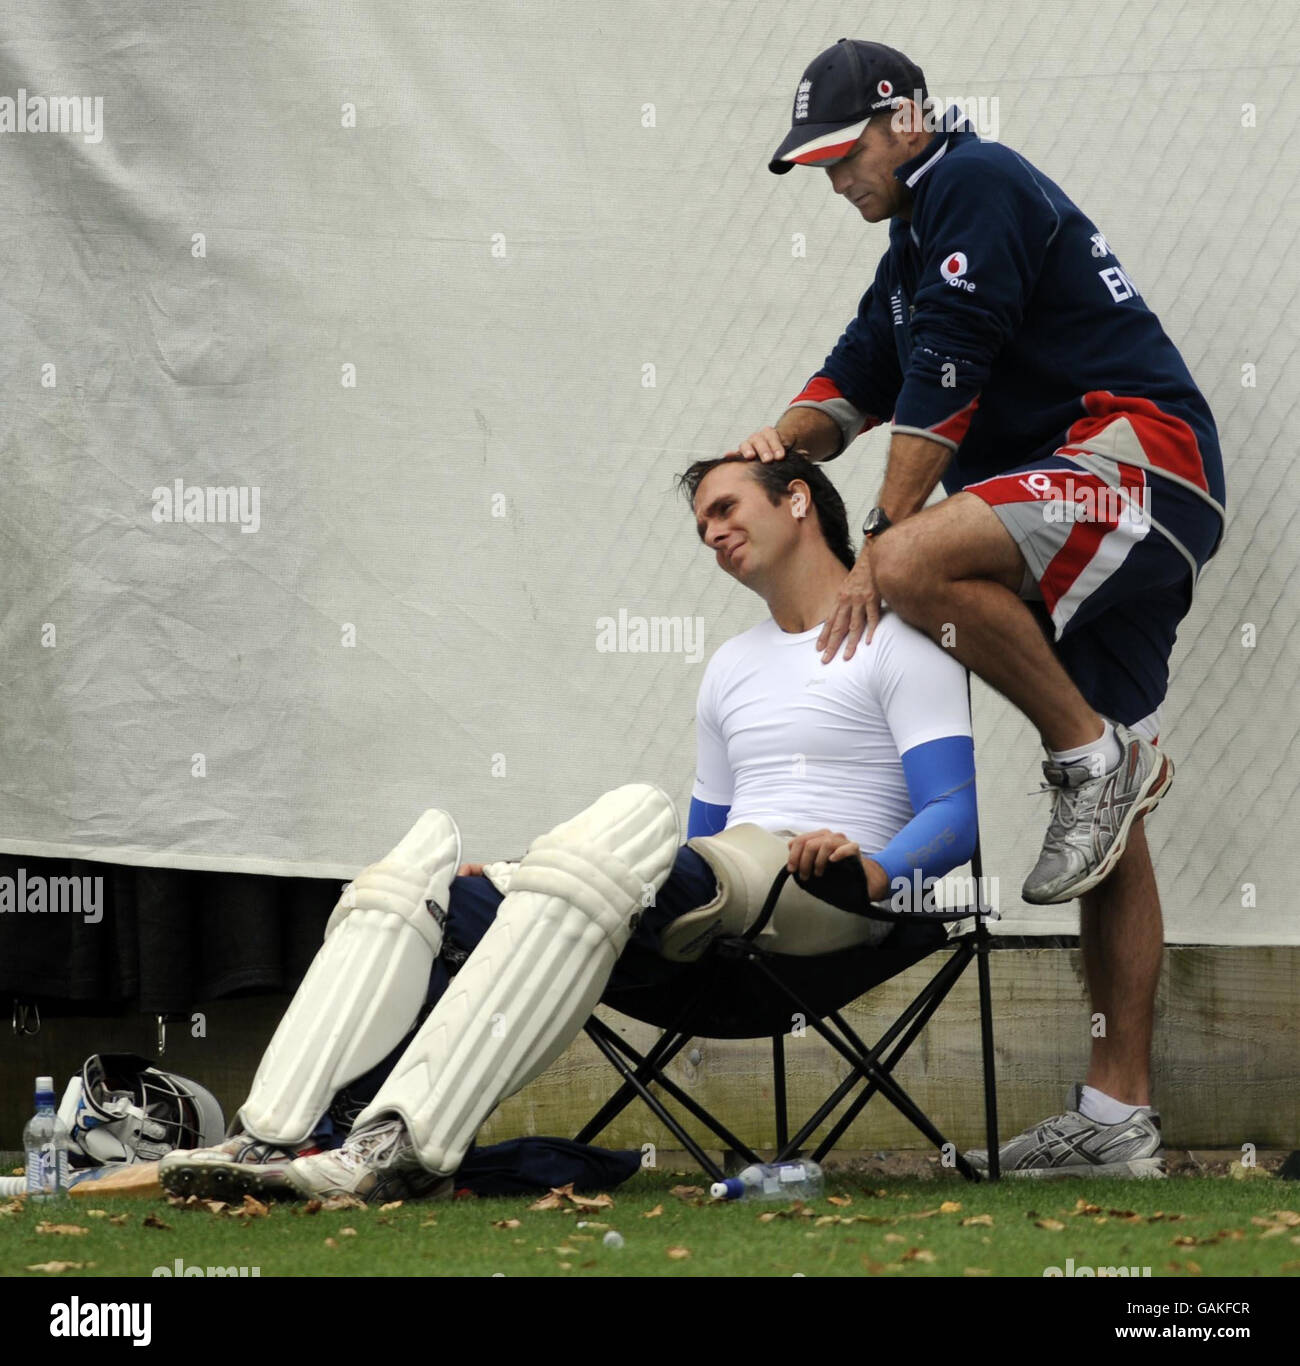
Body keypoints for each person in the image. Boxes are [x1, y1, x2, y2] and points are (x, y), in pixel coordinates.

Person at [159, 455, 978, 1203]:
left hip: (829, 899)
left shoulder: (900, 638)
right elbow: (696, 853)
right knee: (429, 896)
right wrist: (524, 881)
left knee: (619, 835)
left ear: (797, 499)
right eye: (700, 525)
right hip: (722, 913)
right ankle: (318, 1137)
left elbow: (956, 819)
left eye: (726, 508)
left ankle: (392, 1137)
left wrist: (871, 870)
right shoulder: (733, 665)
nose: (712, 533)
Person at [739, 39, 1226, 1175]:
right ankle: (1116, 1120)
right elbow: (853, 377)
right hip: (1087, 506)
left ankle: (1087, 755)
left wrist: (877, 544)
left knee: (909, 565)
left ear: (904, 117)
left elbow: (942, 377)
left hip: (1134, 464)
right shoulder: (911, 242)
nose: (834, 178)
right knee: (1113, 839)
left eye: (843, 151)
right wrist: (777, 445)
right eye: (814, 164)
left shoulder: (973, 178)